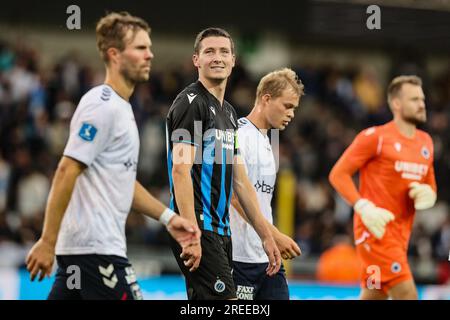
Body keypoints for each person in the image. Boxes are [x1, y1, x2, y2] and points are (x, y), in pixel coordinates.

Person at [25, 12, 200, 300]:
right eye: (141, 48)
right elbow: (67, 169)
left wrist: (168, 218)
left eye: (150, 47)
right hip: (97, 251)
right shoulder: (102, 105)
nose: (150, 55)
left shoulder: (121, 108)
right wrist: (47, 240)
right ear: (115, 55)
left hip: (84, 253)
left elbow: (121, 181)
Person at [166, 28, 281, 300]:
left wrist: (265, 235)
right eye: (209, 52)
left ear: (233, 60)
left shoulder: (229, 114)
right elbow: (180, 170)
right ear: (196, 60)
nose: (217, 58)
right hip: (199, 226)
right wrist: (191, 233)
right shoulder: (190, 103)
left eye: (224, 52)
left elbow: (240, 180)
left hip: (221, 229)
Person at [329, 75, 437, 299]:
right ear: (396, 103)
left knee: (374, 293)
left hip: (401, 236)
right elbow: (338, 175)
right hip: (375, 234)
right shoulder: (375, 137)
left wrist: (430, 195)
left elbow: (430, 185)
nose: (421, 104)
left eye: (422, 99)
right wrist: (362, 206)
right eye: (415, 99)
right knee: (407, 295)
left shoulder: (426, 141)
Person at [229, 68, 303, 300]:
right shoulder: (239, 135)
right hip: (240, 258)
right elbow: (234, 197)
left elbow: (259, 200)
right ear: (266, 98)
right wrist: (274, 236)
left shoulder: (268, 141)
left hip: (267, 258)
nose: (291, 114)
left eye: (294, 108)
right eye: (287, 106)